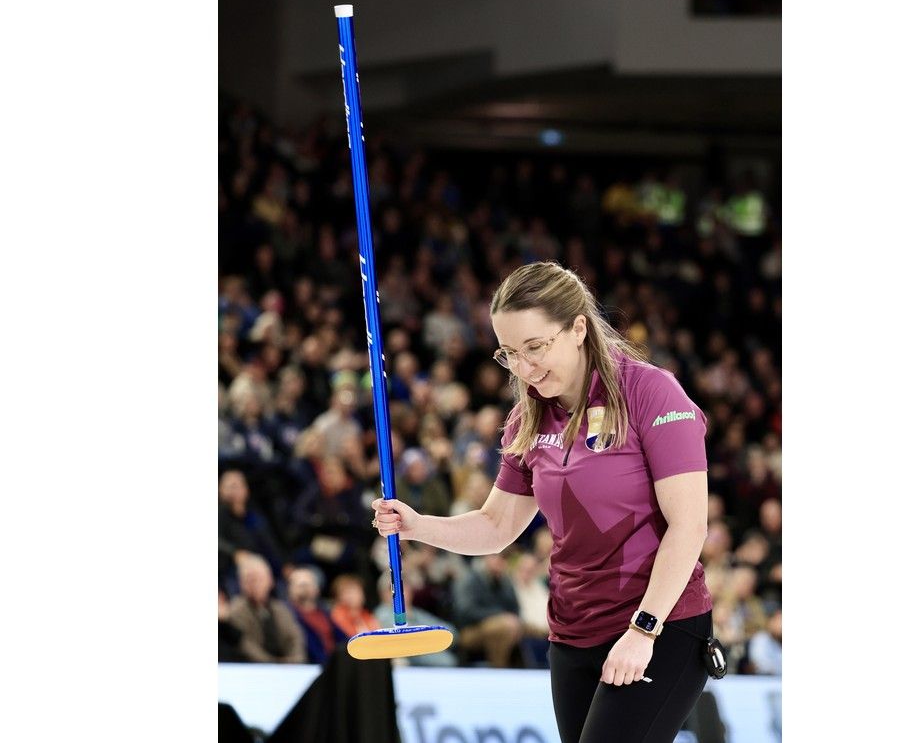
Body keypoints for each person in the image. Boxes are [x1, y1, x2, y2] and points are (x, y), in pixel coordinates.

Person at [373, 261, 713, 743]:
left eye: (535, 347)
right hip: (573, 633)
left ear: (578, 328)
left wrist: (644, 630)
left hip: (659, 623)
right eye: (509, 353)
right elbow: (496, 526)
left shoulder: (650, 393)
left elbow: (689, 526)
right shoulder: (526, 421)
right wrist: (415, 525)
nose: (524, 368)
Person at [228, 555, 306, 664]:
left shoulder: (281, 609)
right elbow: (244, 644)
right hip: (253, 669)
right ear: (241, 583)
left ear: (270, 580)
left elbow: (295, 638)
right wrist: (272, 664)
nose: (254, 584)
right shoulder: (235, 610)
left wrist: (294, 661)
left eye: (259, 578)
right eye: (249, 579)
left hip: (288, 668)